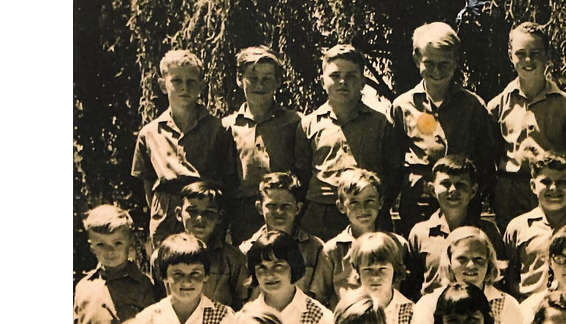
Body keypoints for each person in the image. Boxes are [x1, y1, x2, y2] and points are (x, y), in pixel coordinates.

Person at [391, 22, 497, 234]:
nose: (437, 71)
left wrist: (470, 196)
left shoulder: (473, 106)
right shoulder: (402, 107)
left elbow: (487, 161)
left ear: (456, 61)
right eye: (429, 63)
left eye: (444, 64)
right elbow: (391, 164)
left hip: (463, 207)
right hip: (417, 208)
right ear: (416, 60)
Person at [131, 49, 236, 252]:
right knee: (167, 272)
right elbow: (147, 182)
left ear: (201, 86)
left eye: (191, 82)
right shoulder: (150, 133)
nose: (184, 88)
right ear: (163, 85)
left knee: (206, 271)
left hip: (203, 211)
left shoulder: (218, 129)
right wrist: (161, 209)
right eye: (177, 81)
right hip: (166, 216)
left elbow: (228, 179)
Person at [295, 44, 399, 240]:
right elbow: (301, 173)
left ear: (362, 81)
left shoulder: (380, 123)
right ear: (323, 80)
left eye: (351, 76)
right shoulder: (308, 124)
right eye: (335, 76)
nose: (342, 82)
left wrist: (375, 205)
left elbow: (393, 173)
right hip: (321, 215)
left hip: (366, 212)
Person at [488, 22, 566, 226]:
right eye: (521, 53)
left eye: (536, 53)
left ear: (547, 56)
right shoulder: (497, 106)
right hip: (510, 191)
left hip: (552, 188)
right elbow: (491, 154)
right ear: (510, 55)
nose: (528, 60)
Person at [222, 46, 301, 244]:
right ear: (240, 80)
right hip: (243, 214)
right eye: (253, 78)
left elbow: (303, 169)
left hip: (282, 209)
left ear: (278, 82)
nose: (260, 85)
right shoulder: (227, 126)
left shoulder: (294, 122)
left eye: (267, 78)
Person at [503, 152, 566, 300]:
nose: (553, 188)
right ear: (533, 186)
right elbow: (510, 280)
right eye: (545, 182)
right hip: (532, 311)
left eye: (561, 182)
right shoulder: (518, 228)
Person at [410, 227, 524, 324]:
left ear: (489, 262)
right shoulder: (428, 304)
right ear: (450, 262)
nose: (471, 265)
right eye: (462, 259)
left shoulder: (508, 305)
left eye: (478, 259)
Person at [309, 167, 412, 309]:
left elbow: (408, 292)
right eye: (354, 202)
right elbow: (319, 298)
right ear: (341, 207)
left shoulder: (398, 245)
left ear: (380, 202)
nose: (363, 209)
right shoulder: (333, 250)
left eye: (369, 201)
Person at [407, 156, 506, 296]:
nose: (453, 190)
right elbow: (412, 284)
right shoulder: (420, 233)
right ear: (432, 189)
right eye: (445, 184)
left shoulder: (487, 232)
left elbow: (497, 279)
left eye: (461, 185)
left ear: (473, 191)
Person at [245, 230, 336, 324]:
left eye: (278, 266)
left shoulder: (319, 316)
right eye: (261, 267)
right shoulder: (247, 316)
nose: (269, 274)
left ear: (293, 266)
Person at [159, 181, 250, 308]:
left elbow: (242, 302)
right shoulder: (162, 256)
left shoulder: (233, 258)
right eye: (193, 211)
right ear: (179, 214)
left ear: (219, 217)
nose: (200, 219)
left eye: (209, 213)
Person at [240, 172, 326, 294]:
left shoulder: (315, 248)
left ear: (297, 209)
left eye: (286, 206)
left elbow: (320, 294)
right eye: (272, 205)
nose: (279, 212)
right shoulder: (247, 250)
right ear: (260, 208)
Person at [345, 233, 418, 324]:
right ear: (358, 271)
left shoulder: (409, 312)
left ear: (395, 270)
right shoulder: (347, 309)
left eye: (382, 269)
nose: (375, 277)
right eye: (368, 270)